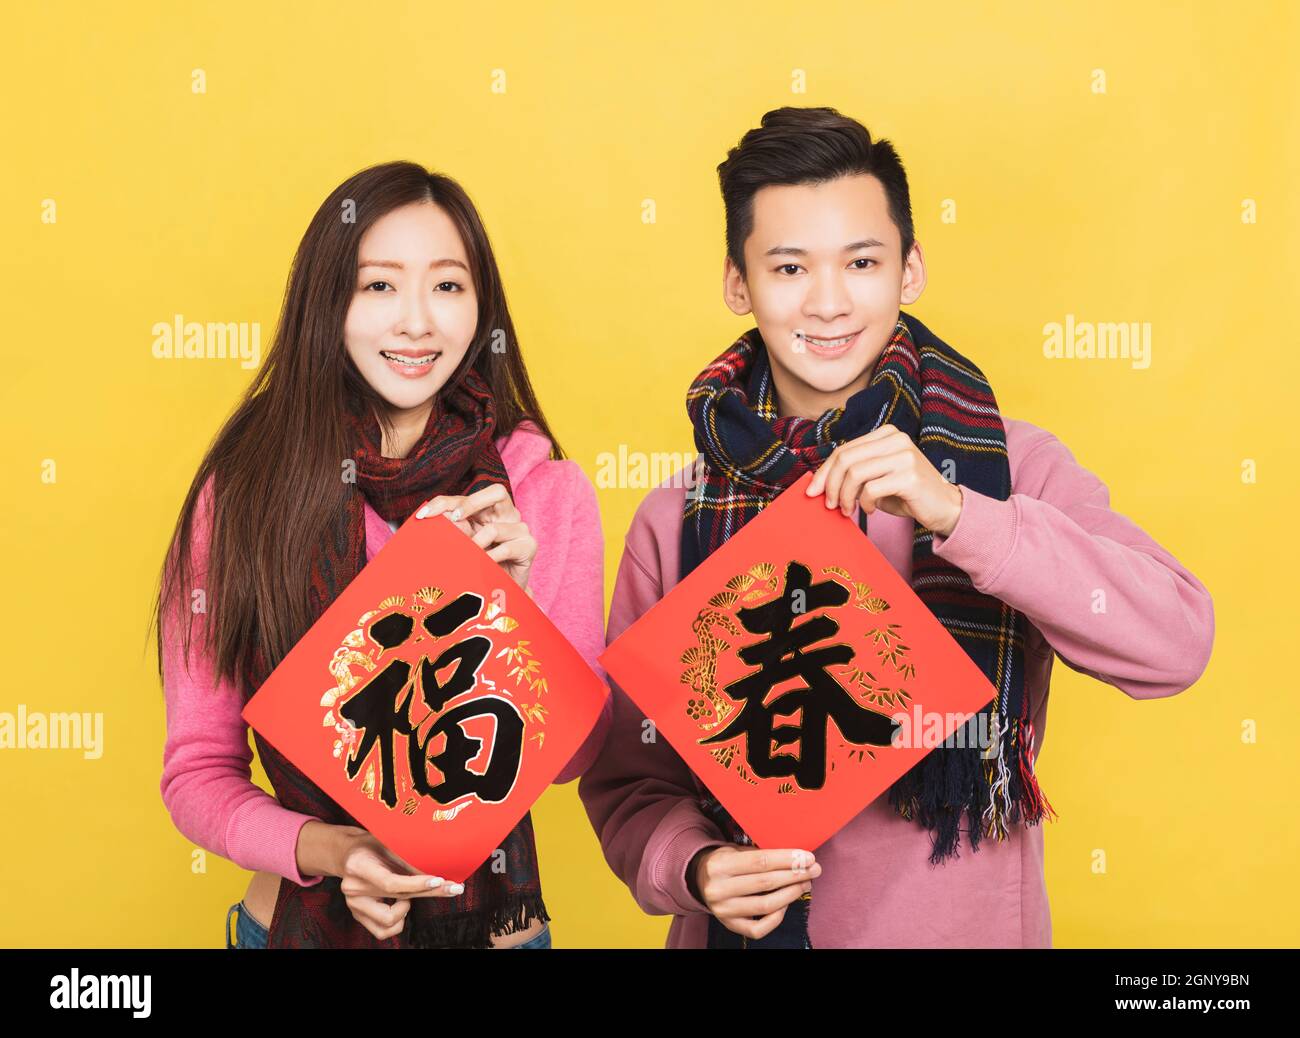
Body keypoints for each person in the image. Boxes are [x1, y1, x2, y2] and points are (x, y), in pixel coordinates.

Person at [577, 107, 1215, 948]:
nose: (830, 301)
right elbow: (631, 779)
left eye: (863, 262)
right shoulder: (679, 515)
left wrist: (958, 515)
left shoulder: (1009, 468)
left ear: (910, 269)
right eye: (790, 267)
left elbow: (1176, 643)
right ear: (739, 283)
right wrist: (692, 865)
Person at [155, 161, 609, 948]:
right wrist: (338, 851)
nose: (417, 324)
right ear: (326, 302)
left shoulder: (543, 493)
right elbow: (198, 771)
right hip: (293, 927)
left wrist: (510, 613)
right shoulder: (247, 494)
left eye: (447, 286)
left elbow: (575, 761)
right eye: (378, 287)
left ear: (481, 307)